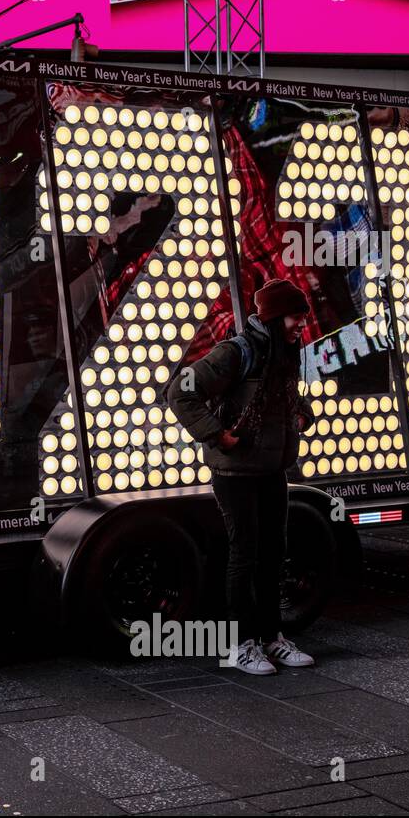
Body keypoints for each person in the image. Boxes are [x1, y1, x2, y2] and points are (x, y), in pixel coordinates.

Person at [166, 279, 317, 675]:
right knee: (244, 553)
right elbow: (180, 392)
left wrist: (303, 412)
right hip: (234, 470)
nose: (302, 324)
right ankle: (240, 645)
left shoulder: (286, 349)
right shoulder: (237, 351)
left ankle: (271, 638)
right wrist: (216, 433)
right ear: (273, 316)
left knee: (272, 553)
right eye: (296, 317)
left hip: (272, 468)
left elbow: (286, 392)